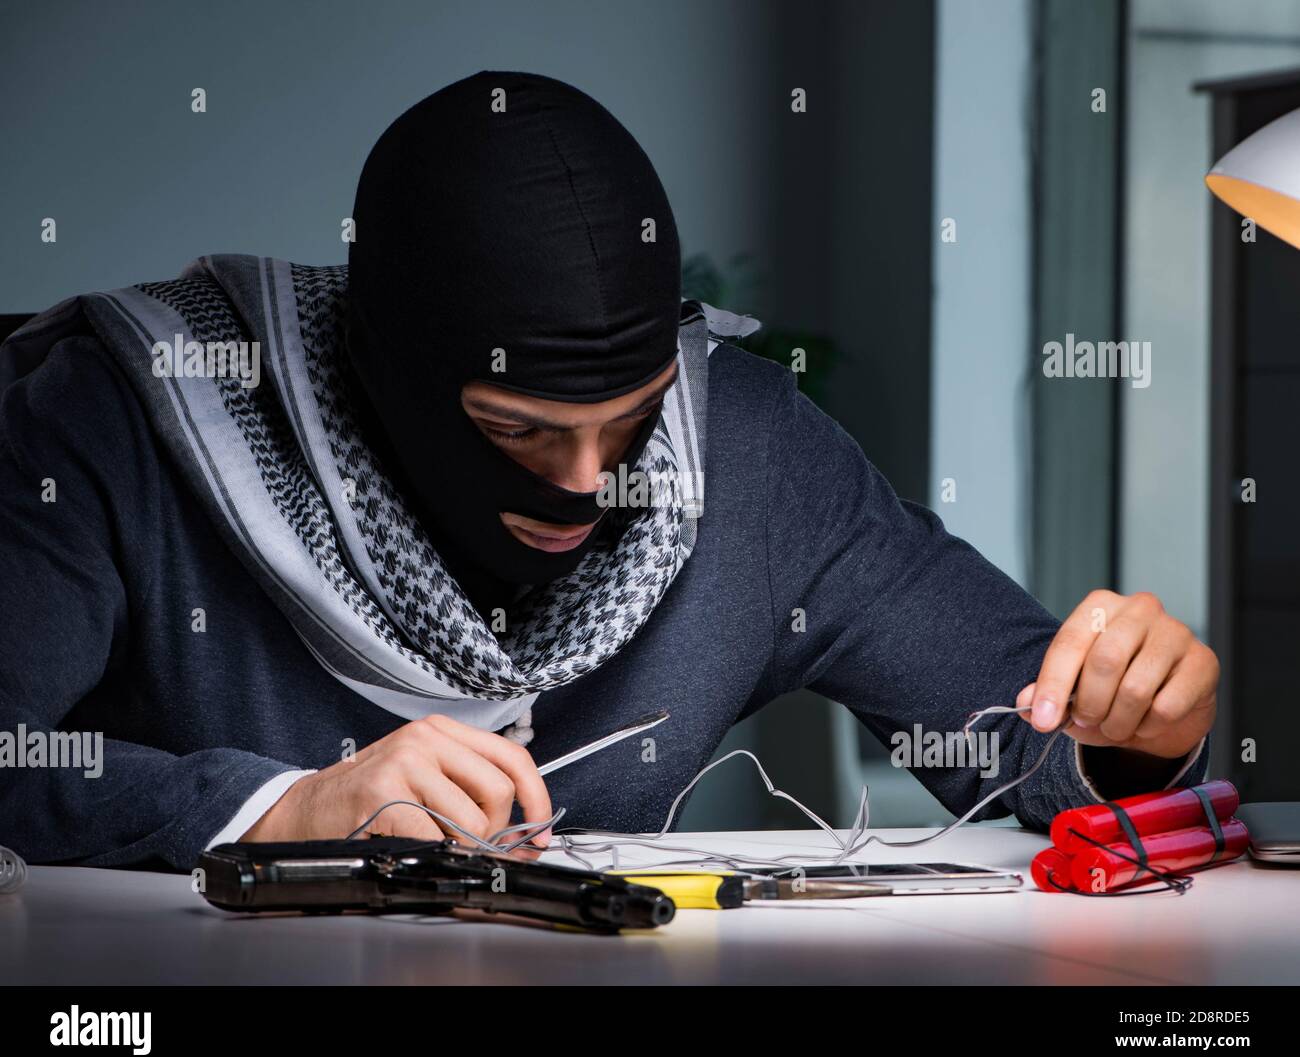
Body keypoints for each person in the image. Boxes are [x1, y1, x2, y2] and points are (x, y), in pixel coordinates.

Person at [0, 71, 1216, 871]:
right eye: (518, 428)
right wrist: (283, 812)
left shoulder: (747, 451)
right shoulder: (119, 420)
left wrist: (1138, 728)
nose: (588, 483)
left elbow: (1020, 743)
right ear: (370, 366)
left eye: (630, 418)